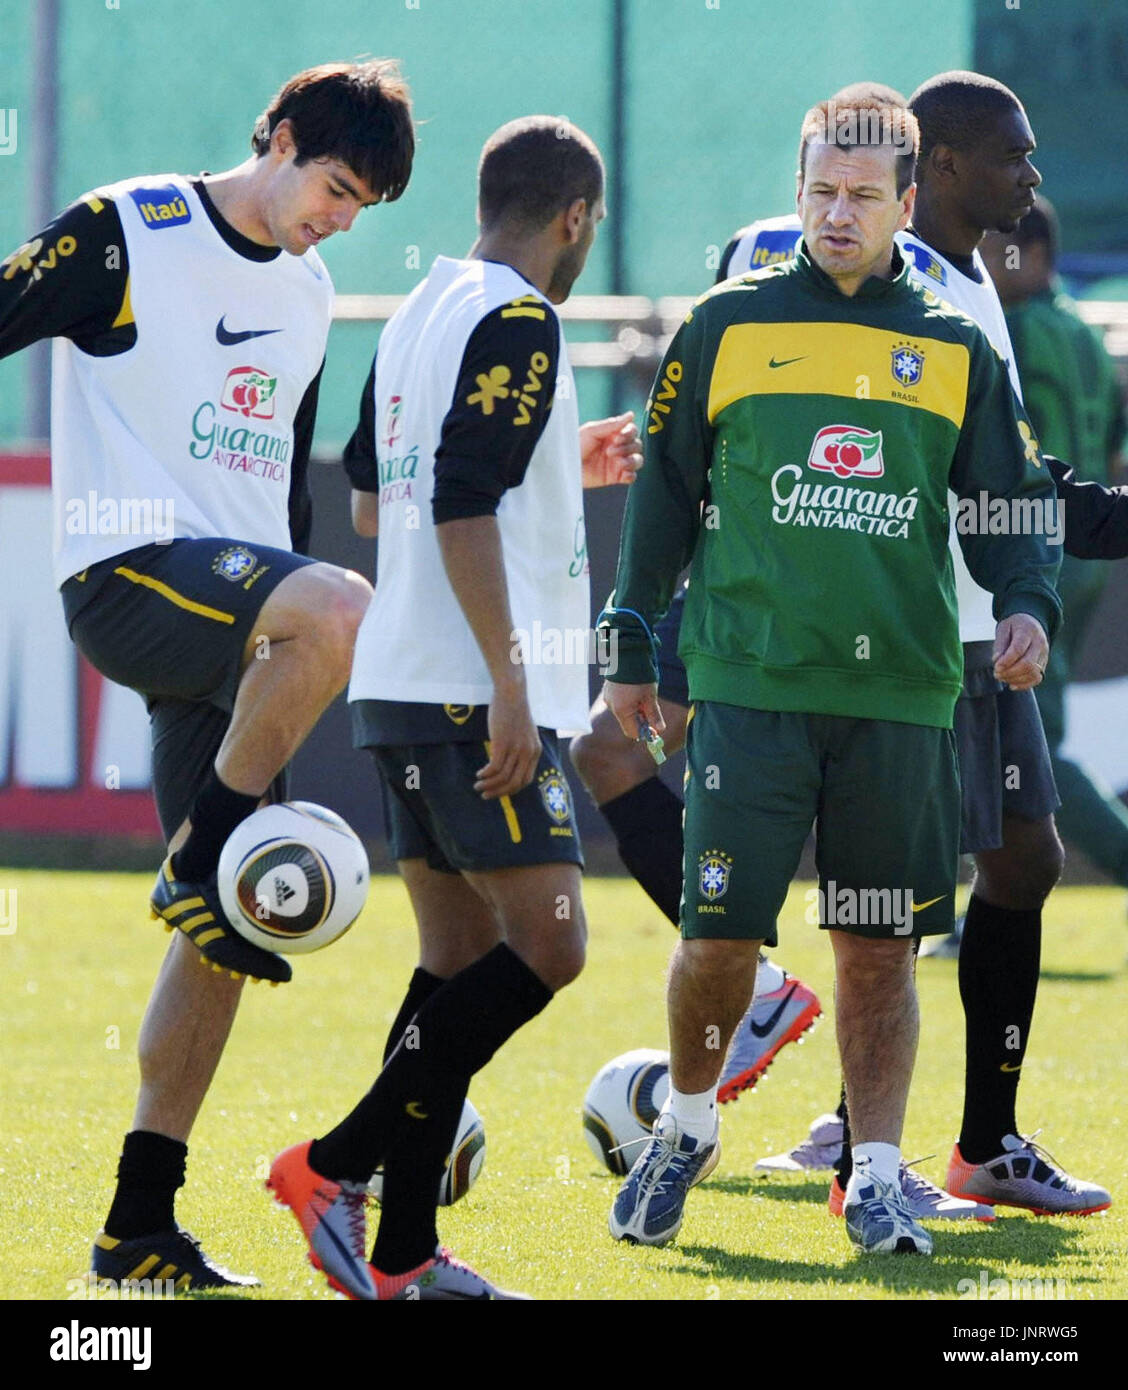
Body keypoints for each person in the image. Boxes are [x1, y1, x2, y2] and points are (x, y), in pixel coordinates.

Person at [599, 89, 1062, 1257]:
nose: (837, 214)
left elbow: (1006, 498)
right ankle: (689, 1125)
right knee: (718, 942)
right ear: (797, 191)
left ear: (909, 202)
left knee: (876, 946)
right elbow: (661, 497)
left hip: (901, 696)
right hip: (749, 685)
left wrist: (1026, 603)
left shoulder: (954, 336)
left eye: (862, 196)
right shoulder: (723, 327)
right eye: (820, 194)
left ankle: (876, 1175)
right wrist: (631, 642)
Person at [0, 59, 415, 1289]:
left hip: (245, 616)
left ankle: (137, 1227)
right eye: (335, 188)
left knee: (232, 923)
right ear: (280, 137)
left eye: (361, 209)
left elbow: (283, 489)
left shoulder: (310, 287)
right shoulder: (129, 227)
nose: (339, 220)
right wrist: (301, 609)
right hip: (128, 576)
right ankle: (203, 850)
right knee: (342, 610)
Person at [690, 75, 1113, 1219]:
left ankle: (947, 1136)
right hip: (930, 640)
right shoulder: (915, 295)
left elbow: (1017, 483)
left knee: (1009, 863)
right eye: (1014, 154)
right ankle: (879, 1136)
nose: (1033, 174)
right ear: (952, 169)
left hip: (981, 631)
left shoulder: (967, 284)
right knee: (901, 894)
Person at [266, 115, 642, 1300]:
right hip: (469, 692)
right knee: (554, 944)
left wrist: (551, 463)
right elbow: (463, 505)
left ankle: (405, 1257)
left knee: (456, 960)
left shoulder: (426, 306)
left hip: (397, 676)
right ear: (575, 215)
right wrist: (516, 685)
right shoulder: (520, 318)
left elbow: (381, 500)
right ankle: (331, 1165)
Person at [980, 199, 1128, 906]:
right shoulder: (1087, 335)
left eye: (996, 248)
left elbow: (1006, 448)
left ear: (1033, 254)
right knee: (1021, 732)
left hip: (1040, 548)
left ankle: (994, 901)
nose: (981, 262)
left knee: (1028, 738)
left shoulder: (1015, 332)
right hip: (1089, 546)